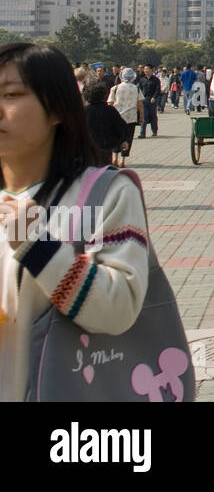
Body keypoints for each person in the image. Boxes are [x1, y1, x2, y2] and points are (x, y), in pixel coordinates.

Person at [0, 43, 157, 401]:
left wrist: (36, 247)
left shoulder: (104, 195)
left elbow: (118, 308)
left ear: (57, 108)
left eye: (11, 94)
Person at [85, 82, 131, 167]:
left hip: (88, 149)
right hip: (106, 146)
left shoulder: (84, 111)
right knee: (104, 170)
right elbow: (121, 127)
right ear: (104, 95)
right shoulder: (110, 110)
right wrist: (122, 141)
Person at [107, 67, 140, 159]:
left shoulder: (115, 88)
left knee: (117, 136)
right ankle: (123, 159)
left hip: (117, 117)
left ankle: (115, 158)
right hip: (131, 117)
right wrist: (141, 117)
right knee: (128, 137)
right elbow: (140, 103)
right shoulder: (136, 88)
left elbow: (110, 102)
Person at [136, 65, 161, 137]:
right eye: (144, 69)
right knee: (144, 117)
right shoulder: (142, 79)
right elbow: (139, 89)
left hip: (152, 101)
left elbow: (157, 90)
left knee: (153, 116)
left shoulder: (156, 80)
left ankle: (154, 131)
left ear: (151, 70)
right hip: (144, 100)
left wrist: (154, 97)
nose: (145, 70)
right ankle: (142, 133)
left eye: (147, 69)